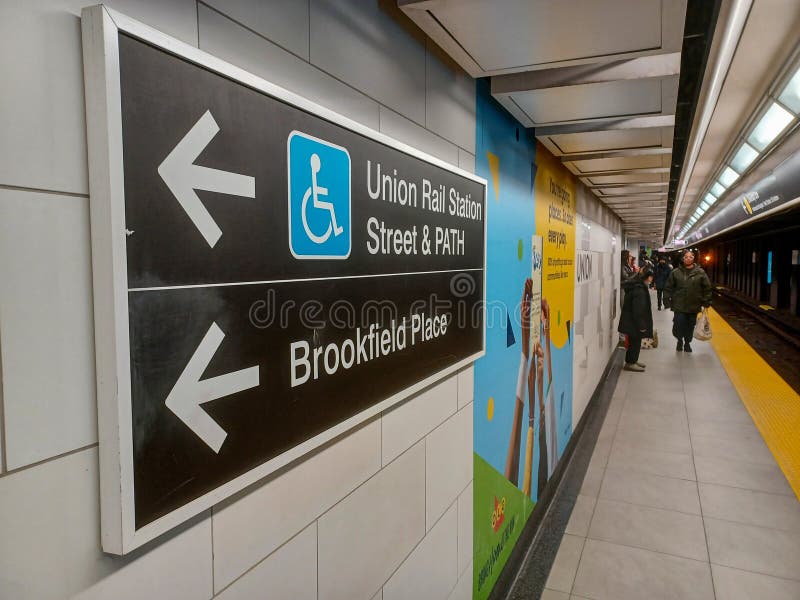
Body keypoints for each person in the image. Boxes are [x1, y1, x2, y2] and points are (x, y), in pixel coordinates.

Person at [663, 249, 712, 352]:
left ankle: (687, 343)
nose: (689, 259)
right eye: (686, 257)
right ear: (683, 259)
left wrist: (706, 301)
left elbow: (707, 287)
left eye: (691, 257)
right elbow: (668, 287)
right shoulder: (675, 272)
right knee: (678, 324)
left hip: (693, 305)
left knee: (690, 326)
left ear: (694, 258)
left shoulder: (700, 272)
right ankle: (679, 340)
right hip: (679, 305)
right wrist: (666, 300)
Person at [618, 267, 654, 372]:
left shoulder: (637, 286)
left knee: (635, 342)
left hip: (631, 320)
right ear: (649, 277)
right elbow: (638, 310)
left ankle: (633, 360)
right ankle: (630, 363)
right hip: (633, 322)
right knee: (635, 342)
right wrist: (642, 325)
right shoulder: (640, 290)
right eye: (651, 277)